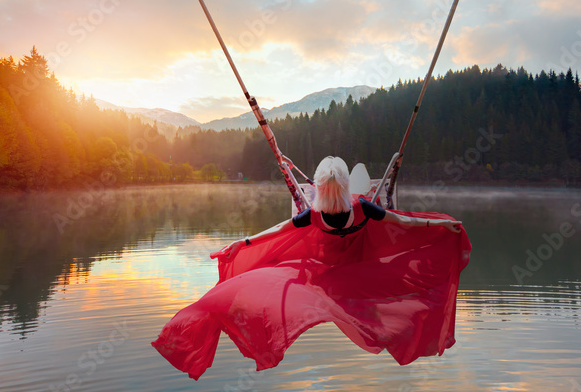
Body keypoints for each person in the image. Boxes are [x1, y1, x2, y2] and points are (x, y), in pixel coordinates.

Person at [152, 156, 472, 380]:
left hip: (323, 272)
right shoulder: (363, 207)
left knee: (251, 283)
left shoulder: (314, 215)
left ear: (319, 190)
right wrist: (440, 225)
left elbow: (278, 230)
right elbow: (402, 221)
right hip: (356, 269)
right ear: (345, 188)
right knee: (400, 297)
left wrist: (243, 243)